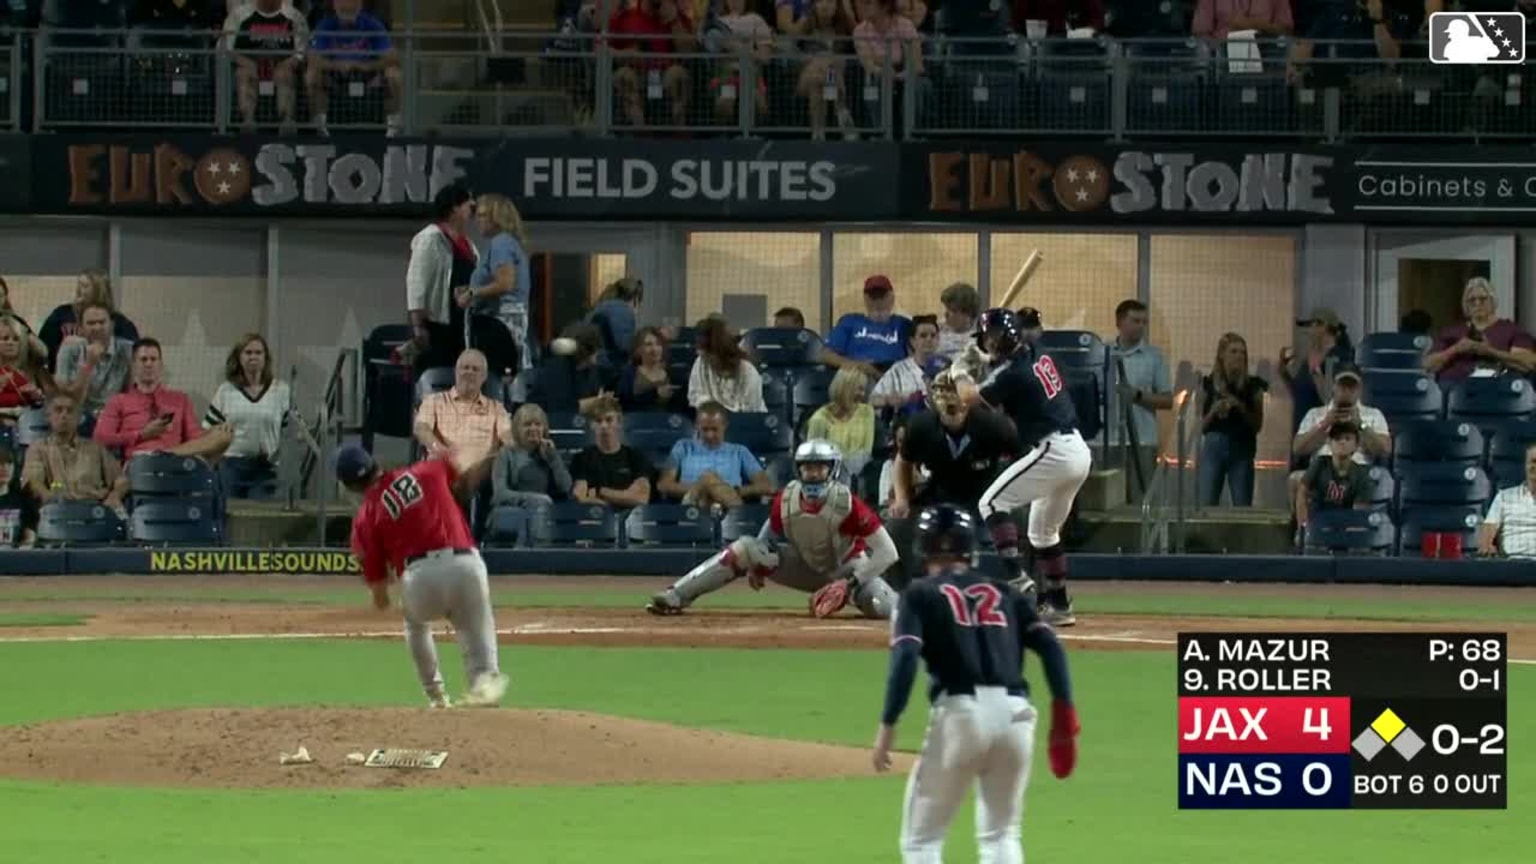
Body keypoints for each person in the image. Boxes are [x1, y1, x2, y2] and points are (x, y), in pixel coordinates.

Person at [872, 504, 1079, 864]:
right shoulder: (1007, 593)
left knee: (922, 841)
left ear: (923, 548)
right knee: (1001, 835)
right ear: (972, 548)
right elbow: (1051, 647)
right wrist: (1063, 711)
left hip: (960, 715)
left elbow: (905, 658)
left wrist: (888, 724)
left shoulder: (918, 594)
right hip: (1017, 717)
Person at [646, 439, 902, 619]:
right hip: (804, 568)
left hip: (848, 571)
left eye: (819, 467)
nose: (813, 474)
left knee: (883, 606)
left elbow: (888, 553)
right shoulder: (787, 497)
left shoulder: (848, 504)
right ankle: (677, 594)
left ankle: (926, 609)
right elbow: (768, 534)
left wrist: (848, 584)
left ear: (832, 469)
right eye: (807, 467)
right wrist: (756, 565)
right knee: (745, 547)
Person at [338, 442, 508, 709]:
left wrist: (386, 588)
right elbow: (464, 475)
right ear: (376, 463)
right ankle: (485, 684)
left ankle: (436, 697)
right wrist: (491, 450)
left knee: (415, 624)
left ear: (349, 486)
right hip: (466, 564)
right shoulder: (428, 469)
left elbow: (380, 594)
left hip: (419, 576)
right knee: (476, 624)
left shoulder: (366, 515)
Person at [956, 308, 1090, 626]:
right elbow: (1007, 366)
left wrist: (960, 369)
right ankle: (1058, 605)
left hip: (1054, 450)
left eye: (994, 337)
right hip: (1079, 452)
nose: (990, 342)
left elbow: (967, 397)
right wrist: (985, 358)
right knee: (1043, 533)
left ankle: (1016, 577)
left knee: (990, 503)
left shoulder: (1013, 374)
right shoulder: (1039, 353)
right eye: (987, 337)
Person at [885, 367, 1020, 589]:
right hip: (939, 493)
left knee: (1027, 521)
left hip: (985, 498)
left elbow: (1022, 457)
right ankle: (900, 592)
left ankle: (1025, 589)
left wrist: (1011, 497)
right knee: (897, 526)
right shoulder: (920, 426)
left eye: (955, 395)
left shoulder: (995, 426)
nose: (951, 406)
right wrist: (902, 498)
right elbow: (903, 462)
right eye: (944, 395)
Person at [205, 334, 293, 500]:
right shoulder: (226, 391)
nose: (253, 356)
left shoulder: (281, 390)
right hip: (231, 466)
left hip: (265, 468)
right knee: (229, 517)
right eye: (248, 352)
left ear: (265, 357)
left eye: (258, 353)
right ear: (239, 357)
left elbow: (291, 430)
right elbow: (208, 429)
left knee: (261, 517)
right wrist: (219, 431)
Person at [406, 184, 479, 373]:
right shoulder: (430, 238)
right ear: (454, 207)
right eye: (467, 201)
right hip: (436, 324)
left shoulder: (468, 243)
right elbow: (417, 281)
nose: (473, 205)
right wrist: (418, 325)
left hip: (461, 325)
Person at [1196, 332, 1267, 508]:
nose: (1239, 356)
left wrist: (1240, 407)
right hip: (1213, 446)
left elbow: (1257, 425)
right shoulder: (1207, 384)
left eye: (1242, 352)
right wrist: (1213, 411)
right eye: (1233, 351)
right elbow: (1199, 427)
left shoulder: (1253, 386)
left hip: (1242, 448)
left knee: (1242, 505)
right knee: (1207, 503)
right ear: (1222, 354)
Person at [467, 193, 532, 377]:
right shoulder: (509, 243)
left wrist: (472, 294)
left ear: (497, 218)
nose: (477, 221)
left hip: (501, 321)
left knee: (499, 378)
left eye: (483, 215)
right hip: (508, 319)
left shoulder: (501, 243)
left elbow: (505, 283)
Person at [1296, 423, 1371, 535]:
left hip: (1346, 520)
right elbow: (1302, 492)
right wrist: (1303, 525)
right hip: (1318, 517)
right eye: (1337, 439)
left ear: (1356, 445)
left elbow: (1359, 510)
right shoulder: (1319, 463)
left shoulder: (1361, 474)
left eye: (1347, 439)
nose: (1342, 442)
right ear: (1329, 443)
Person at [805, 366, 875, 476]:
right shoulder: (819, 419)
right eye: (859, 389)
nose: (863, 395)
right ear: (844, 389)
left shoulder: (867, 412)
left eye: (864, 390)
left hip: (860, 474)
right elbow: (813, 458)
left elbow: (866, 452)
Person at [1478, 441, 1536, 560]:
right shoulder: (1504, 497)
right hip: (1513, 564)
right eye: (1533, 462)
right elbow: (1487, 535)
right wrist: (1487, 546)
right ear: (1526, 465)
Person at [0, 443, 38, 548]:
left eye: (9, 463)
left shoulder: (24, 500)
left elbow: (29, 537)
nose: (5, 468)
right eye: (0, 463)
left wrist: (18, 556)